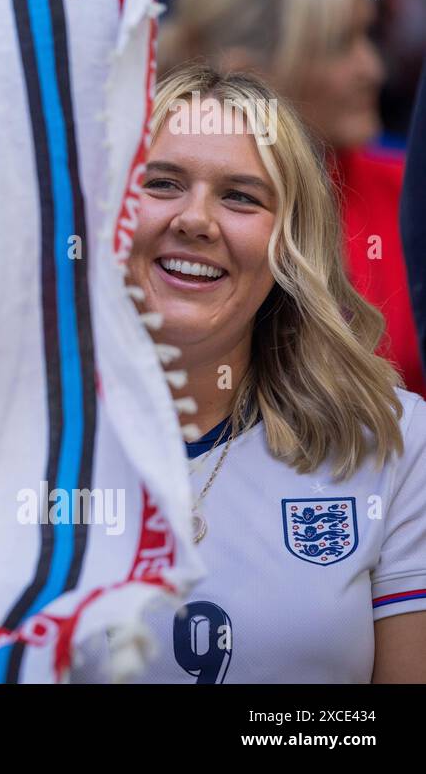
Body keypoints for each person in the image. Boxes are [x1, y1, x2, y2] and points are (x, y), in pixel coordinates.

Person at [78, 65, 426, 683]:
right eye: (161, 183)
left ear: (289, 242)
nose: (196, 220)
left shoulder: (395, 441)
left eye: (240, 195)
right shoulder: (4, 439)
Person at [159, 0, 424, 396]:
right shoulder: (136, 203)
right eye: (341, 44)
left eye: (370, 36)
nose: (373, 68)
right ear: (247, 74)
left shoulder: (408, 194)